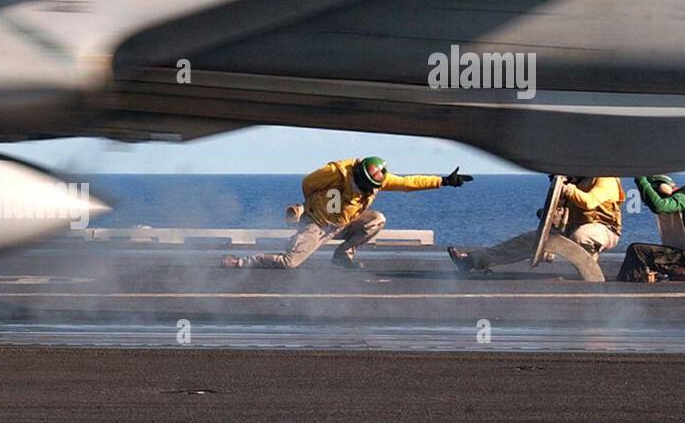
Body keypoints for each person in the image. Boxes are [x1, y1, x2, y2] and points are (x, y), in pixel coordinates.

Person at [224, 156, 472, 270]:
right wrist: (311, 206)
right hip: (319, 223)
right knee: (291, 263)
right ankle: (244, 261)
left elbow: (408, 183)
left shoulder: (378, 178)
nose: (372, 191)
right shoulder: (336, 172)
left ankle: (342, 256)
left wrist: (444, 181)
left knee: (377, 220)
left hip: (345, 222)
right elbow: (308, 183)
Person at [447, 176, 624, 273]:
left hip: (603, 230)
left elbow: (589, 202)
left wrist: (566, 188)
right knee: (528, 240)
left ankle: (587, 271)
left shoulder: (605, 178)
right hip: (571, 229)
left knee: (582, 236)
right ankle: (473, 260)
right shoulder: (577, 179)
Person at [617, 175, 685, 281]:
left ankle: (628, 289)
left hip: (682, 256)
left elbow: (660, 206)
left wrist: (641, 179)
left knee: (638, 251)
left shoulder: (682, 196)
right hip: (680, 254)